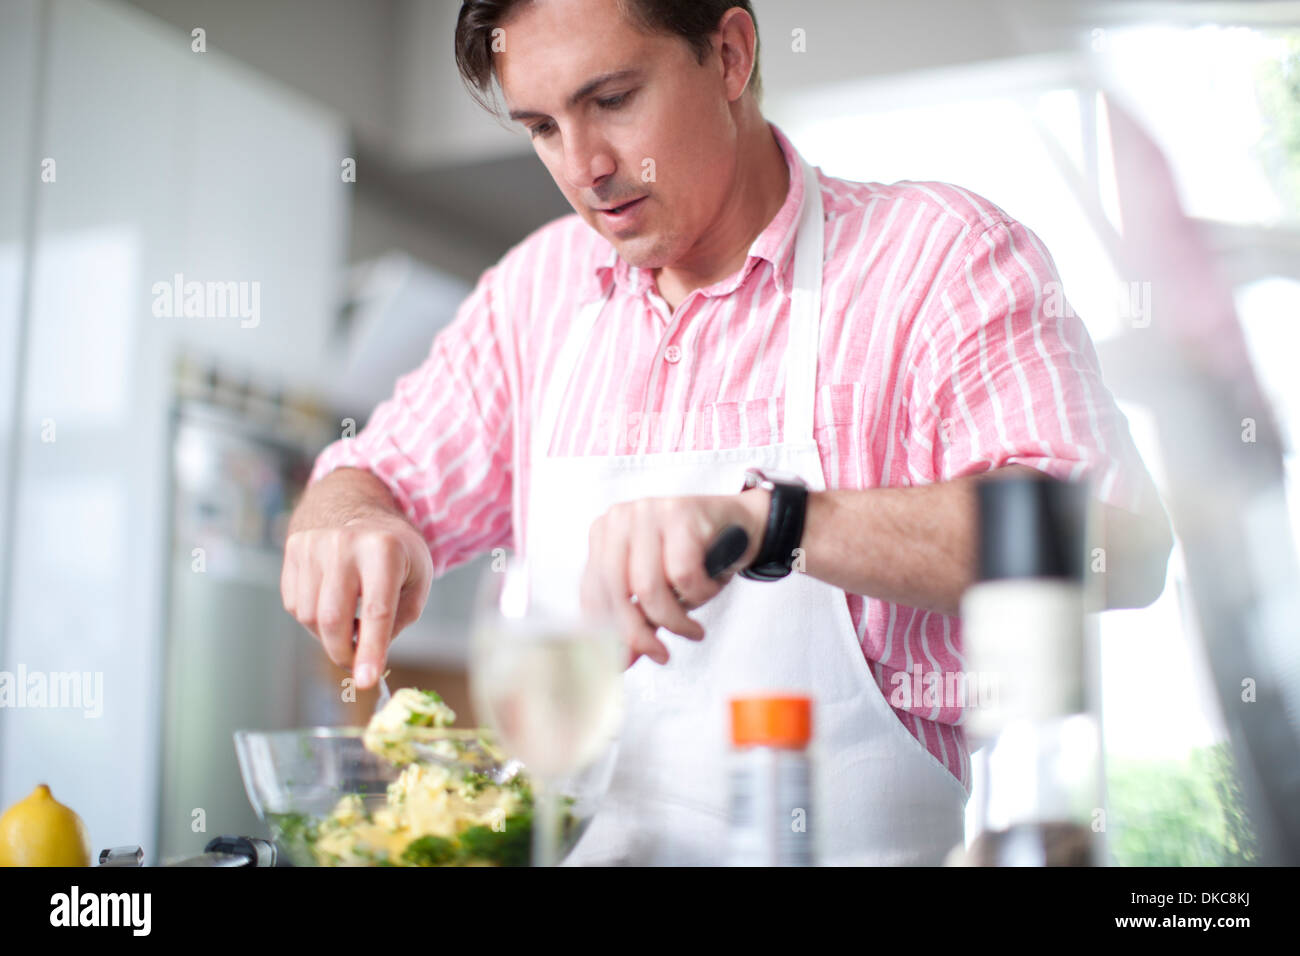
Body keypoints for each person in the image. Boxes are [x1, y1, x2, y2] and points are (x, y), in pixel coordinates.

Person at [281, 0, 1172, 864]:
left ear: (730, 55)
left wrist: (773, 522)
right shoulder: (535, 293)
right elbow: (372, 478)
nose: (583, 165)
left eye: (613, 99)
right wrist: (346, 516)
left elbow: (1115, 542)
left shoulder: (937, 258)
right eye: (543, 127)